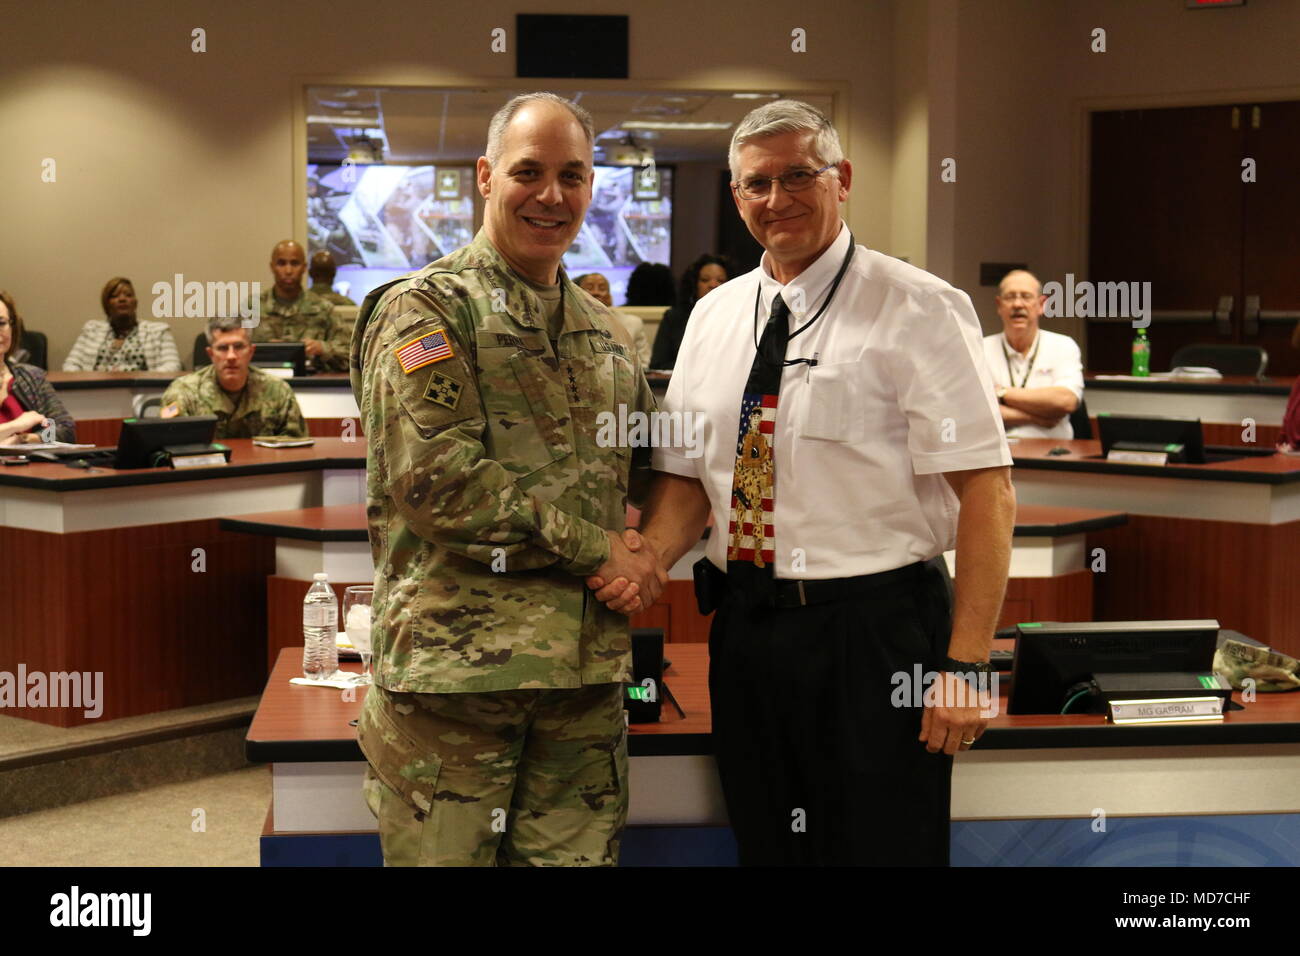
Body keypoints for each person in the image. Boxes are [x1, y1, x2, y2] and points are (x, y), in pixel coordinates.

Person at [588, 99, 1016, 866]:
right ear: (735, 194)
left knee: (884, 852)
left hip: (878, 634)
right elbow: (690, 480)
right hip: (749, 634)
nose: (776, 199)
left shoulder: (919, 307)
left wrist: (966, 666)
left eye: (798, 177)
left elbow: (989, 491)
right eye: (757, 184)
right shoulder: (711, 319)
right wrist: (648, 558)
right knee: (770, 847)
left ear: (842, 179)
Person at [350, 92, 662, 867]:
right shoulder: (427, 311)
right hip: (454, 687)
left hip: (583, 688)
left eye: (573, 175)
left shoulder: (607, 333)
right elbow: (439, 484)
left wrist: (651, 553)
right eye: (530, 171)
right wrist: (601, 551)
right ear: (487, 176)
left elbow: (661, 461)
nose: (552, 195)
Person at [159, 316, 307, 439]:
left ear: (251, 351)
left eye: (238, 347)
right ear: (210, 354)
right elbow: (173, 447)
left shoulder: (278, 391)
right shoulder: (184, 392)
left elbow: (297, 446)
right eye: (222, 348)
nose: (231, 356)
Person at [982, 269, 1084, 439]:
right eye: (1010, 297)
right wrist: (1036, 417)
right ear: (999, 306)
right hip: (996, 454)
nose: (1017, 304)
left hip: (1053, 453)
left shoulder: (1063, 345)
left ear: (1041, 304)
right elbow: (976, 411)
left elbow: (1066, 401)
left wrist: (1001, 393)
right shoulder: (980, 348)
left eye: (1026, 296)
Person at [249, 240, 348, 372]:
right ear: (272, 267)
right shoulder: (252, 308)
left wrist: (321, 348)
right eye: (281, 263)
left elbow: (351, 356)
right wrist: (267, 350)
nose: (288, 270)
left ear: (304, 268)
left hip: (313, 387)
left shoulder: (323, 309)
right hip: (262, 386)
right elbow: (233, 350)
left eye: (294, 263)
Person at [0, 290, 75, 444]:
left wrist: (25, 439)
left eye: (1, 323)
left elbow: (65, 429)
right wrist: (15, 426)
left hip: (29, 466)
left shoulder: (31, 377)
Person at [62, 277, 182, 372]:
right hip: (96, 394)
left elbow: (173, 366)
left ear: (135, 303)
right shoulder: (91, 330)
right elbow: (70, 365)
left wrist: (141, 379)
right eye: (115, 296)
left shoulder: (158, 331)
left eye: (128, 295)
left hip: (143, 393)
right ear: (106, 304)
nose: (122, 299)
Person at [649, 253, 730, 370]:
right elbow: (658, 364)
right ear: (694, 285)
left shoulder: (741, 319)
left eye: (720, 280)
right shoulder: (674, 317)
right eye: (705, 280)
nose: (713, 285)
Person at [575, 272, 650, 365]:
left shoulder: (632, 323)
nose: (596, 292)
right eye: (589, 288)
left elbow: (644, 363)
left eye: (602, 289)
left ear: (609, 297)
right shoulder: (570, 322)